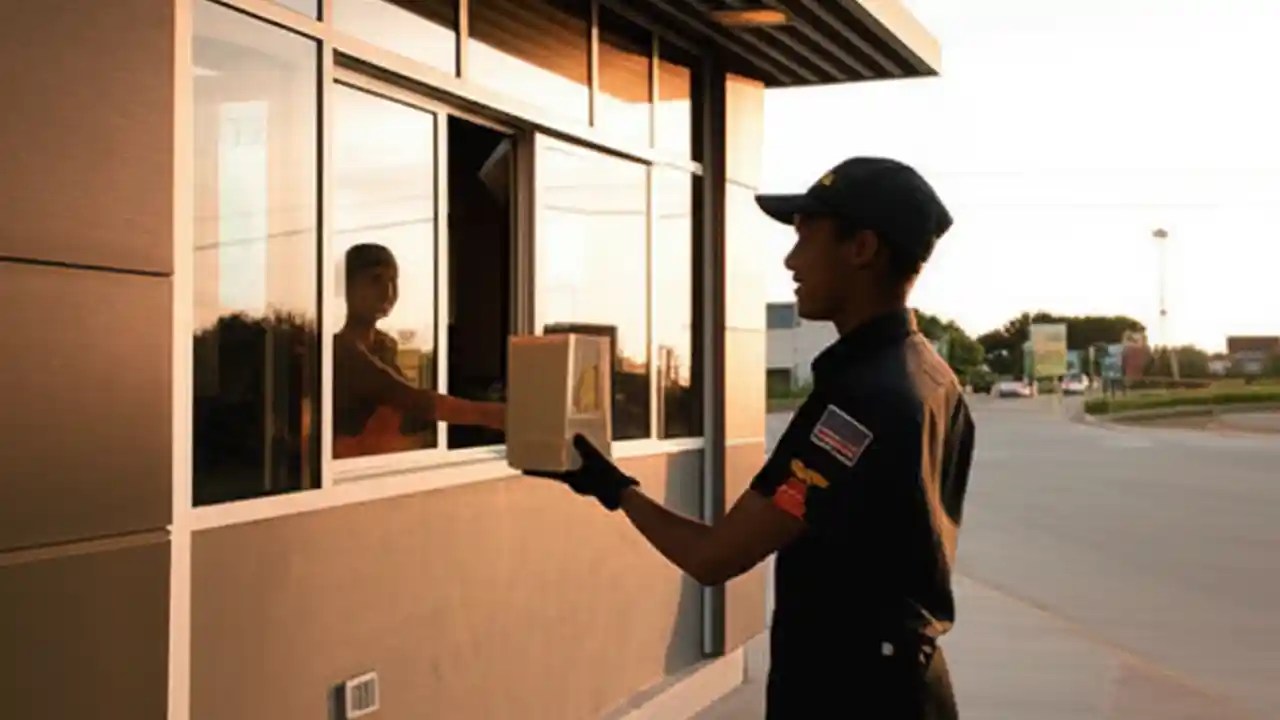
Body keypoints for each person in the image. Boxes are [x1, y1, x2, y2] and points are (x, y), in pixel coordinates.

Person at [533, 157, 972, 718]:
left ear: (862, 248)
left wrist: (613, 487)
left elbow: (714, 556)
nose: (791, 262)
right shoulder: (933, 375)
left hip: (848, 693)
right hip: (908, 685)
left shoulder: (858, 401)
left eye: (805, 239)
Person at [334, 243, 505, 458]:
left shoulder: (383, 346)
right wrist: (494, 414)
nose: (388, 291)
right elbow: (413, 401)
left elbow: (410, 417)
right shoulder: (343, 351)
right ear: (347, 288)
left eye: (393, 281)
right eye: (375, 279)